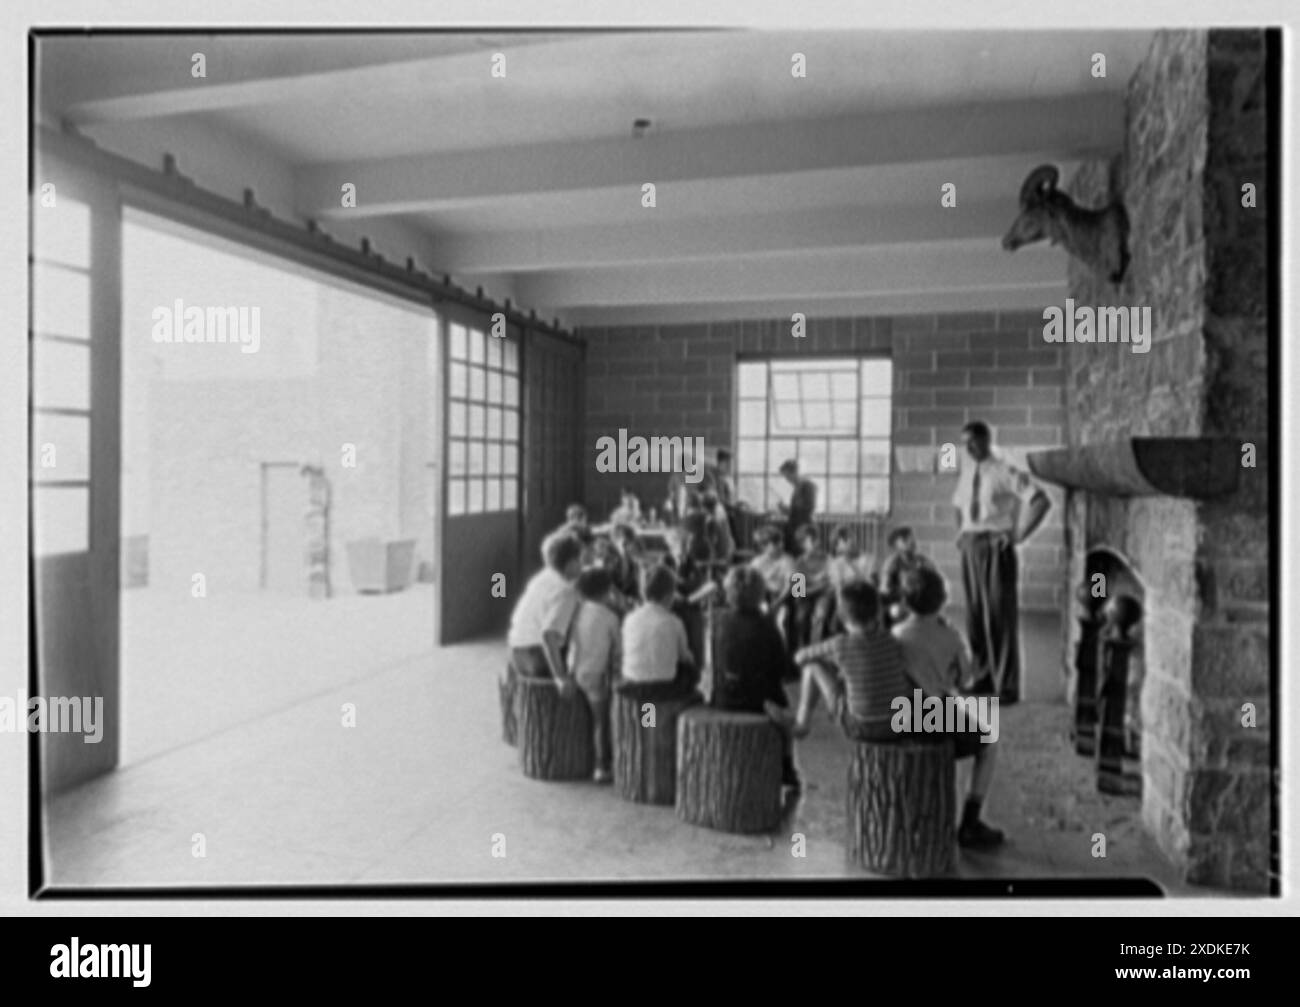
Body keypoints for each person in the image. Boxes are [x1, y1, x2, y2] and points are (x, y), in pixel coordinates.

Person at [892, 565, 1004, 849]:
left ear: (904, 602)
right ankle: (970, 820)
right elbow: (965, 679)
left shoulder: (895, 634)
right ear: (943, 600)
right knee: (989, 744)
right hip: (936, 714)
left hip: (902, 714)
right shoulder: (950, 636)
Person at [952, 421, 1051, 705]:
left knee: (999, 617)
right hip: (971, 547)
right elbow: (958, 505)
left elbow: (1041, 501)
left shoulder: (1005, 470)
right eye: (964, 443)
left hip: (996, 547)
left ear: (987, 440)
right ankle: (983, 677)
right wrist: (961, 533)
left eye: (972, 442)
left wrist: (1019, 535)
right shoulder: (968, 470)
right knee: (974, 617)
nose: (968, 448)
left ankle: (1007, 687)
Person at [764, 580, 912, 744]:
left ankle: (802, 724)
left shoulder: (840, 644)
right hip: (900, 722)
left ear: (841, 617)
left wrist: (832, 659)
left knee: (812, 666)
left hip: (860, 725)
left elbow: (799, 657)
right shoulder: (891, 639)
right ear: (878, 612)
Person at [710, 566, 800, 788]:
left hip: (723, 696)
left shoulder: (718, 621)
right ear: (761, 594)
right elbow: (783, 669)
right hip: (760, 701)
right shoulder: (768, 626)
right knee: (787, 715)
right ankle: (786, 766)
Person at [505, 532, 584, 693]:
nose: (582, 565)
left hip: (516, 649)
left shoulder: (542, 577)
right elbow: (549, 635)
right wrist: (560, 677)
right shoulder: (565, 592)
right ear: (570, 563)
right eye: (580, 560)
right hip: (537, 654)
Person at [567, 567, 622, 783]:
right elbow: (618, 650)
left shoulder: (576, 611)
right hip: (595, 675)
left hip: (573, 670)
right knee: (601, 721)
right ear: (607, 591)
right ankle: (601, 765)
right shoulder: (610, 617)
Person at [621, 564, 698, 692]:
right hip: (661, 689)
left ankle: (647, 710)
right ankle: (652, 712)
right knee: (690, 671)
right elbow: (684, 657)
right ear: (669, 596)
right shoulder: (674, 622)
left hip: (632, 684)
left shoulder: (630, 618)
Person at [879, 525, 939, 623]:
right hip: (900, 605)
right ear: (896, 545)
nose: (912, 542)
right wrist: (904, 596)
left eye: (912, 538)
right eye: (905, 539)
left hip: (922, 604)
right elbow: (885, 591)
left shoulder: (924, 561)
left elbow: (936, 585)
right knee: (895, 611)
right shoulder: (892, 564)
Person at [776, 459, 817, 554]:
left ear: (795, 472)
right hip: (794, 526)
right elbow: (797, 509)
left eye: (787, 476)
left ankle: (799, 570)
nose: (786, 479)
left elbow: (809, 508)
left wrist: (788, 510)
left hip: (803, 528)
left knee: (802, 556)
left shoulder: (808, 486)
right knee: (793, 556)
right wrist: (786, 510)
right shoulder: (797, 487)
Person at [748, 524, 795, 606]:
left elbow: (791, 587)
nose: (781, 545)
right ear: (763, 546)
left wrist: (777, 603)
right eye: (775, 543)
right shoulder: (757, 563)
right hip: (762, 596)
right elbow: (752, 586)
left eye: (781, 541)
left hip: (783, 597)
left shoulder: (788, 560)